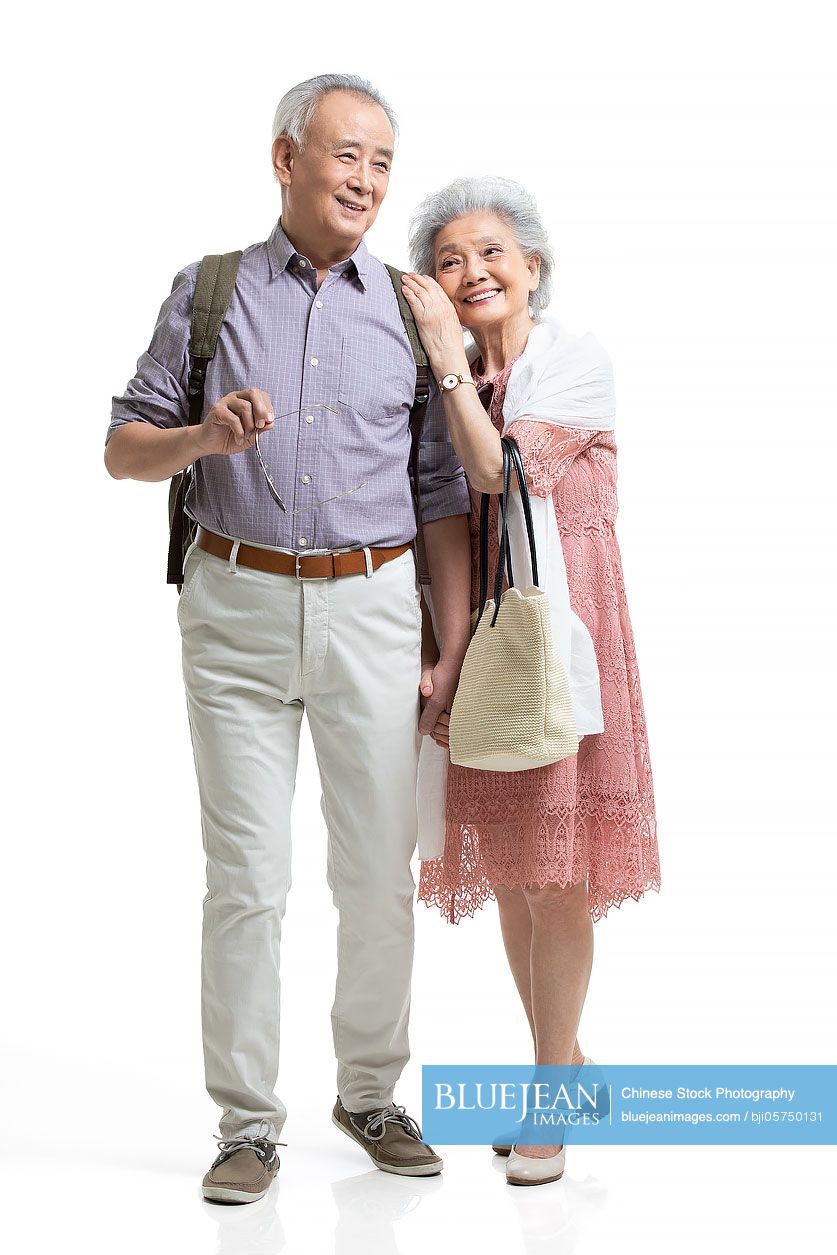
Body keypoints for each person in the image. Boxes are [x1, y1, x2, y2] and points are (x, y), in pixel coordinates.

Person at [104, 74, 473, 1203]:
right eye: (346, 155)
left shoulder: (412, 311)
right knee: (247, 881)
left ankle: (368, 1092)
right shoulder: (209, 291)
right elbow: (124, 447)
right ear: (285, 160)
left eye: (382, 163)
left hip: (373, 605)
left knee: (375, 874)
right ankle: (247, 1122)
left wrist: (450, 649)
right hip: (236, 609)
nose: (365, 180)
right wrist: (203, 436)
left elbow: (442, 494)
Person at [401, 175, 661, 1186]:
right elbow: (441, 510)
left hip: (565, 639)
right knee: (512, 867)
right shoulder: (455, 376)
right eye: (451, 260)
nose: (473, 272)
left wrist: (444, 367)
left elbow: (500, 471)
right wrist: (445, 652)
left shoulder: (573, 360)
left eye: (492, 252)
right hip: (486, 645)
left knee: (561, 874)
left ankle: (553, 1087)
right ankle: (565, 1063)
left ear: (533, 267)